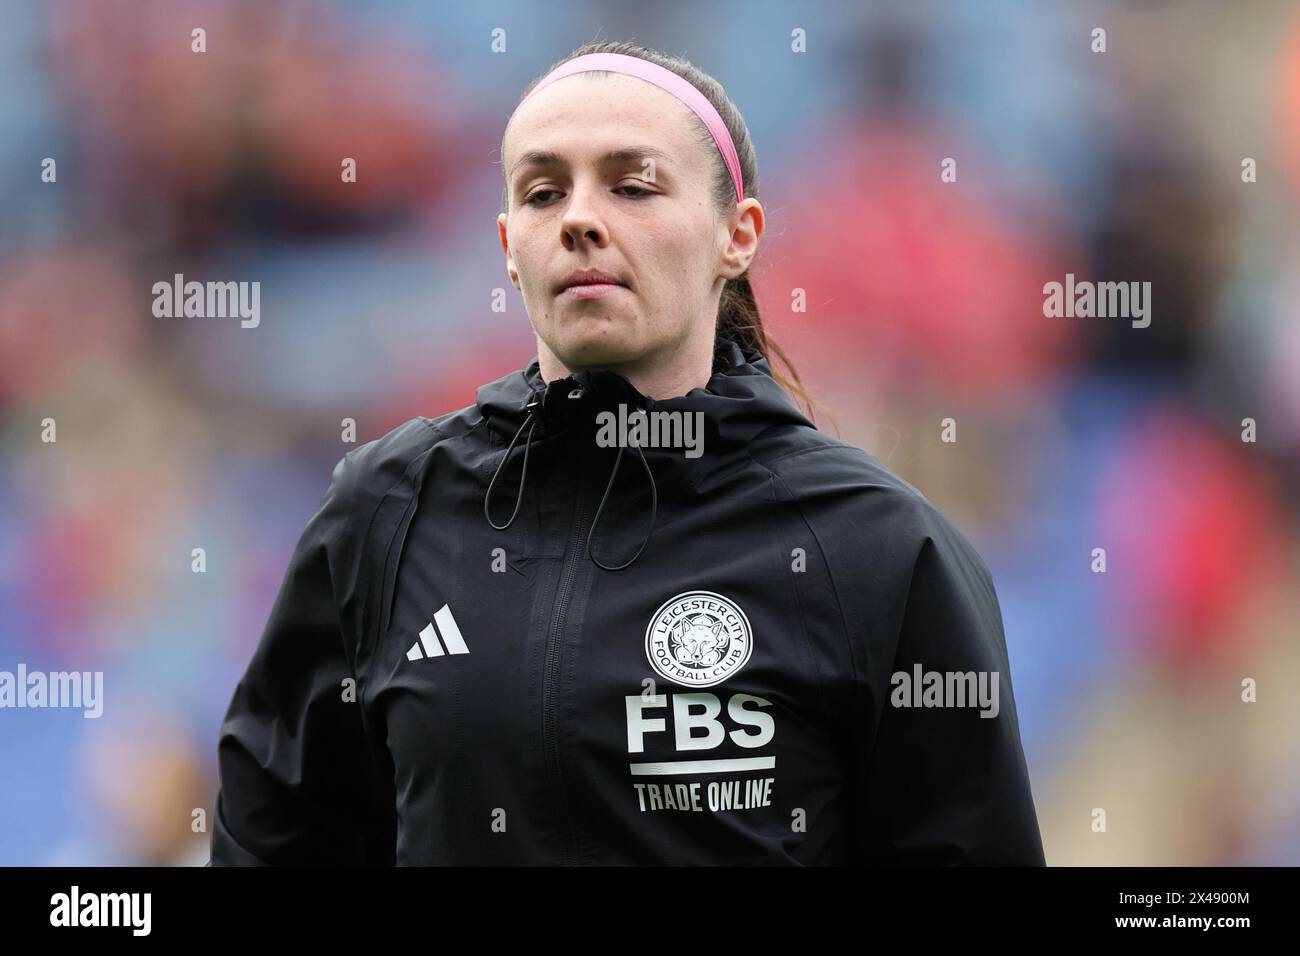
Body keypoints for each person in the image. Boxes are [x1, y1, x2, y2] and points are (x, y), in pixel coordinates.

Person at [209, 41, 1045, 866]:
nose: (578, 218)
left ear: (738, 236)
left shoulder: (879, 549)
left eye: (632, 184)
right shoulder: (386, 513)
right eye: (543, 193)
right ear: (508, 244)